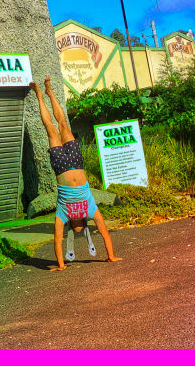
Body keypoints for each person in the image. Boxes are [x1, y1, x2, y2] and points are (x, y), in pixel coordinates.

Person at [29, 77, 120, 271]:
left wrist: (61, 265)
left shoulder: (63, 214)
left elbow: (57, 239)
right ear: (83, 221)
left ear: (73, 222)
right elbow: (103, 231)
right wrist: (110, 256)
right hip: (76, 162)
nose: (79, 221)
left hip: (62, 166)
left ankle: (40, 94)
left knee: (51, 129)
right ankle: (50, 92)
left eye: (76, 224)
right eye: (81, 223)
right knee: (63, 124)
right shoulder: (89, 208)